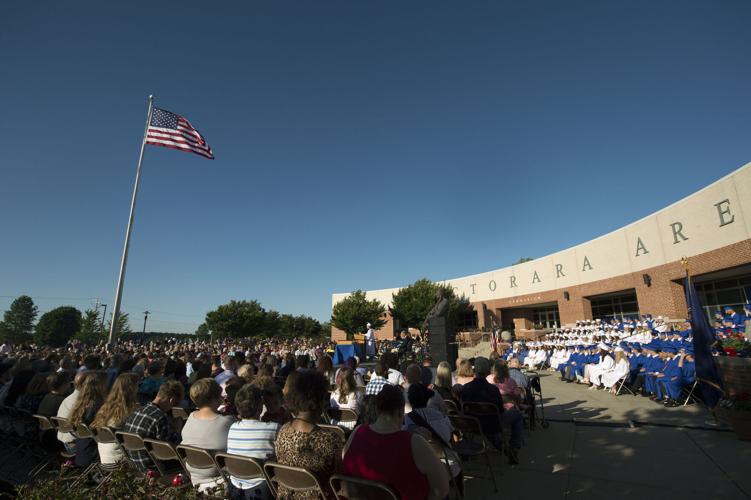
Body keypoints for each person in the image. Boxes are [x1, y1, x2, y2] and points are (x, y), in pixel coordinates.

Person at [342, 385, 449, 500]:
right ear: (400, 411)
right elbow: (442, 489)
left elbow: (344, 460)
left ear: (377, 409)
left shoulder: (358, 432)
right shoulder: (414, 442)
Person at [274, 369, 343, 499]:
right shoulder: (329, 439)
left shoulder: (283, 430)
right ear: (317, 402)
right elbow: (338, 480)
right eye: (324, 397)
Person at [457, 357, 521, 464]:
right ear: (487, 372)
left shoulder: (466, 388)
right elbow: (500, 411)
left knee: (489, 421)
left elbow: (463, 408)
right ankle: (514, 446)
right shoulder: (493, 389)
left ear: (475, 371)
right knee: (517, 415)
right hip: (492, 425)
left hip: (473, 425)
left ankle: (505, 448)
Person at [181, 378, 235, 490]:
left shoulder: (190, 417)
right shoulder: (226, 422)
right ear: (214, 398)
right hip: (221, 479)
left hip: (194, 477)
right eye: (220, 395)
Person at [226, 384, 279, 500]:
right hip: (261, 488)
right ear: (260, 407)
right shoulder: (274, 428)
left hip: (234, 485)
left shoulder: (233, 427)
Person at [122, 380, 184, 472]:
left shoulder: (137, 411)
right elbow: (170, 451)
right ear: (171, 400)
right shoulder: (160, 417)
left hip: (134, 464)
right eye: (176, 404)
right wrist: (178, 430)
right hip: (153, 467)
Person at [91, 373, 140, 466]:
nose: (138, 389)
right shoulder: (130, 410)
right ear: (132, 388)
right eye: (137, 386)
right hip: (120, 459)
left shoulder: (105, 407)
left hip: (104, 458)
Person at [68, 371, 109, 467]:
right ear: (100, 386)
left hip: (82, 450)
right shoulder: (98, 406)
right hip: (93, 454)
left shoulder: (80, 404)